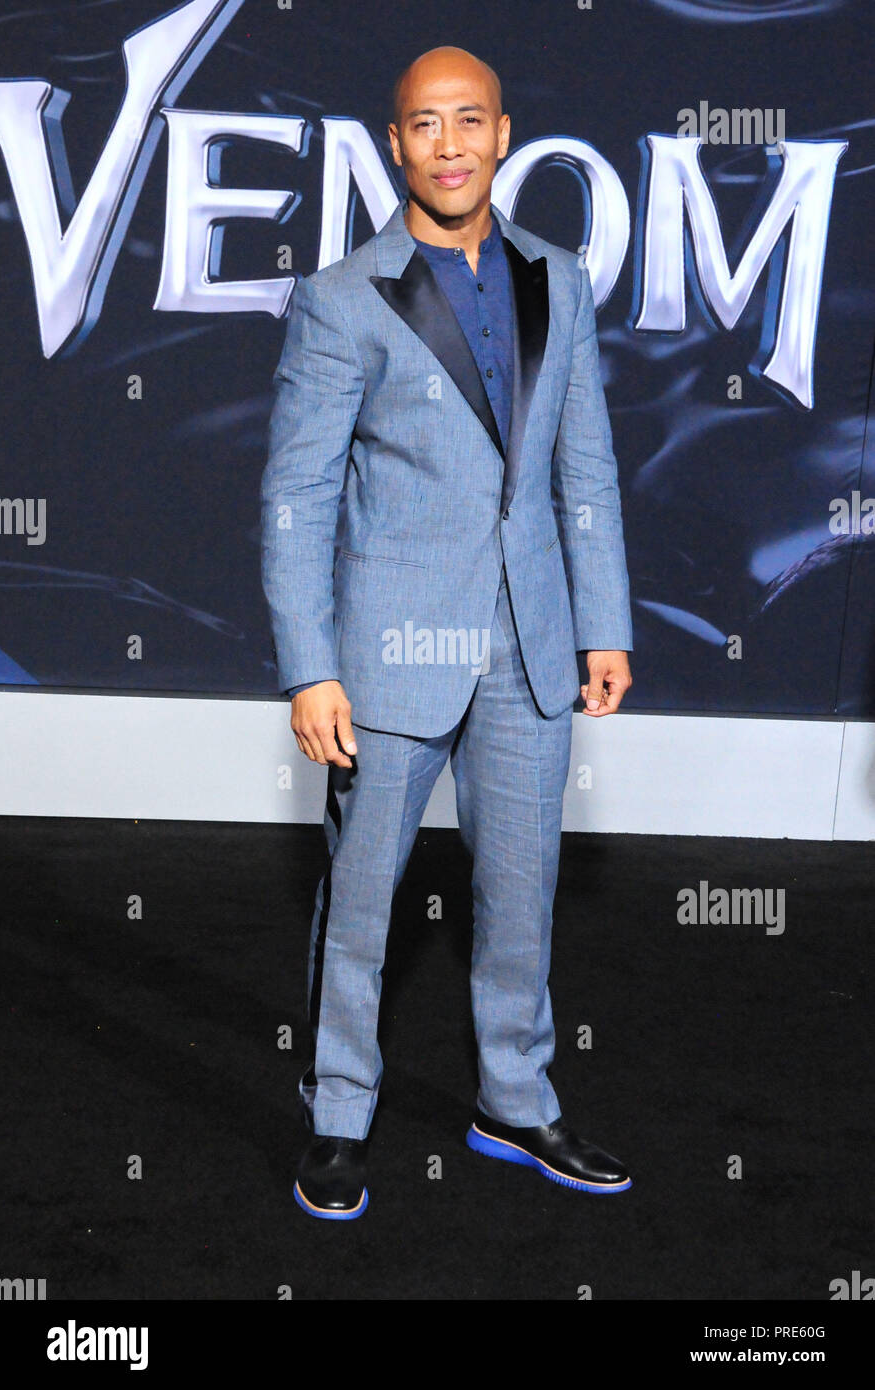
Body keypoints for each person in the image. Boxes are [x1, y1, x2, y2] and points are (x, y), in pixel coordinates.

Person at [261, 46, 634, 1220]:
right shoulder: (341, 296)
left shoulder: (557, 280)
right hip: (385, 652)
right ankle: (335, 1114)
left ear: (503, 132)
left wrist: (602, 625)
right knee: (362, 899)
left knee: (520, 892)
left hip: (529, 642)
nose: (451, 143)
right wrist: (309, 665)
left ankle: (512, 1101)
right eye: (426, 124)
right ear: (396, 145)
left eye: (469, 121)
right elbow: (296, 492)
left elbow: (585, 467)